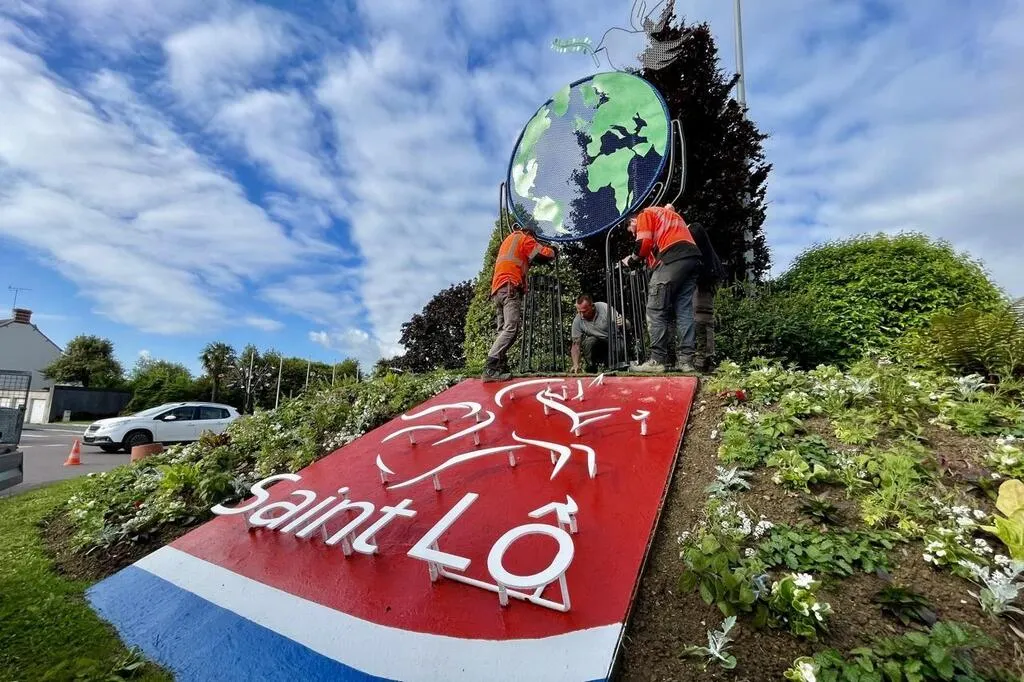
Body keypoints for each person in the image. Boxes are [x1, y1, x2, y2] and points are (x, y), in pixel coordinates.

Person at [620, 203, 702, 373]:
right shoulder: (665, 215)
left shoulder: (644, 215)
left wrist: (631, 260)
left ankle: (657, 361)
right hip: (692, 257)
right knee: (684, 310)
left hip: (673, 257)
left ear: (632, 221)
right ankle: (686, 362)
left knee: (655, 309)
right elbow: (654, 256)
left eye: (631, 231)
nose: (634, 234)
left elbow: (643, 244)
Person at [482, 226, 556, 382]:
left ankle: (499, 367)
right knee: (511, 329)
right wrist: (554, 250)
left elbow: (524, 260)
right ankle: (491, 367)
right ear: (530, 234)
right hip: (510, 288)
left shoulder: (509, 240)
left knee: (503, 330)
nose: (534, 241)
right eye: (534, 239)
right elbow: (541, 254)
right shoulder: (524, 238)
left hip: (498, 290)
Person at [687, 222, 727, 373]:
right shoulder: (709, 258)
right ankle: (706, 359)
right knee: (704, 321)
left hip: (701, 289)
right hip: (704, 288)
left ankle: (702, 359)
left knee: (701, 320)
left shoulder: (699, 258)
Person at [570, 294, 625, 373]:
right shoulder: (578, 320)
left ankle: (613, 366)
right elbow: (575, 345)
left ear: (592, 306)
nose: (581, 315)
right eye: (579, 312)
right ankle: (592, 368)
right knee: (589, 342)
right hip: (598, 343)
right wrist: (576, 364)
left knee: (619, 345)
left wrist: (622, 322)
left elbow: (620, 321)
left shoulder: (604, 308)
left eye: (584, 311)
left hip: (613, 339)